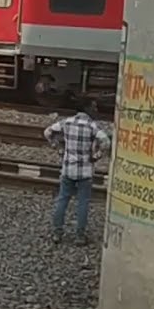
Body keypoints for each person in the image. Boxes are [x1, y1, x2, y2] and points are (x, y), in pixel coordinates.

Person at [44, 98, 111, 245]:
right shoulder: (92, 126)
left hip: (68, 169)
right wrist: (96, 156)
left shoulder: (66, 122)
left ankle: (57, 233)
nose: (96, 110)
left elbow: (48, 132)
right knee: (83, 203)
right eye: (93, 107)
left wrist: (58, 148)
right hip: (85, 171)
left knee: (62, 200)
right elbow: (106, 141)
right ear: (87, 108)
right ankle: (79, 236)